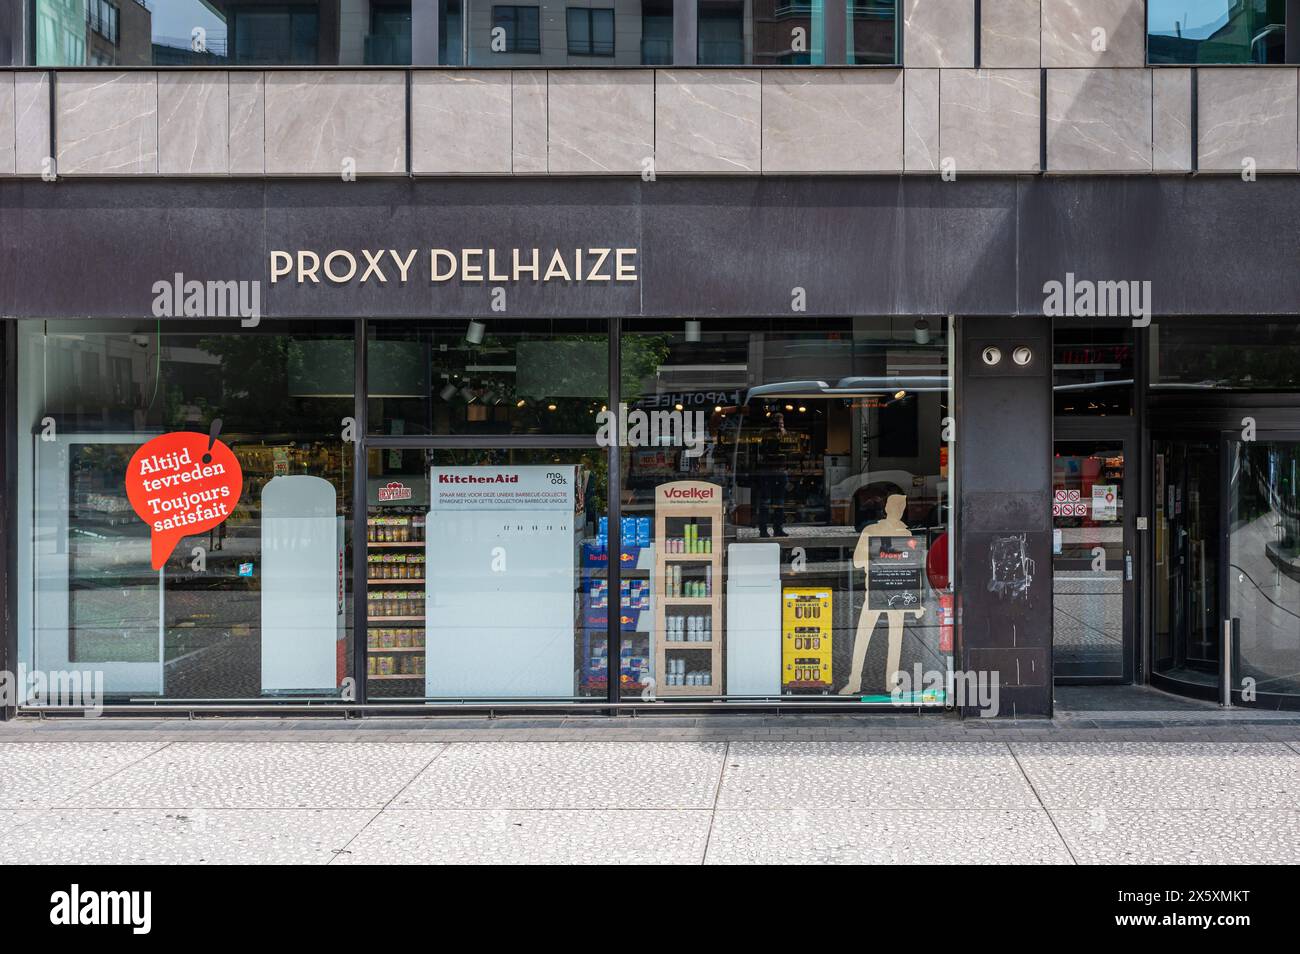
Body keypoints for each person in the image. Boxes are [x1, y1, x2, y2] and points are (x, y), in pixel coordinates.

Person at [754, 412, 788, 537]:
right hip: (768, 471)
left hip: (779, 471)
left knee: (779, 502)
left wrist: (782, 431)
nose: (778, 425)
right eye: (777, 422)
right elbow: (762, 448)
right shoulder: (765, 432)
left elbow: (788, 449)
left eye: (781, 423)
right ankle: (763, 530)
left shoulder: (783, 433)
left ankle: (777, 528)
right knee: (765, 502)